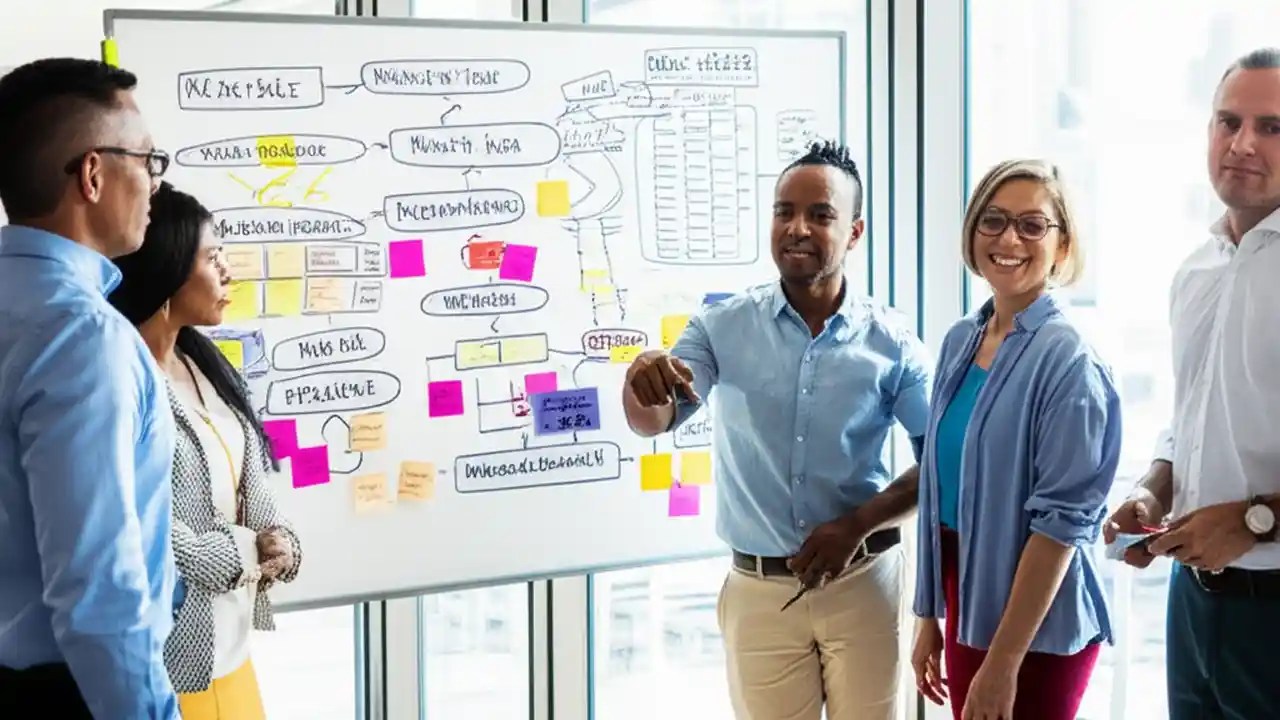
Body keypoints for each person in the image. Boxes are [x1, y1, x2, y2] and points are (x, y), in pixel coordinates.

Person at [622, 140, 931, 720]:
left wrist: (858, 525)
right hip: (760, 593)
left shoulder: (893, 343)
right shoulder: (720, 326)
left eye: (821, 215)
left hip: (864, 584)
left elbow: (942, 462)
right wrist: (640, 382)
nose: (797, 228)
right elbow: (655, 420)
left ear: (855, 232)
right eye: (784, 211)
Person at [1105, 47, 1280, 720]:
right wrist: (1154, 486)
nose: (1242, 144)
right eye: (1227, 121)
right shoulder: (1194, 273)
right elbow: (1192, 416)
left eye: (1271, 127)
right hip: (1191, 602)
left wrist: (1252, 521)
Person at [911, 159, 1121, 720]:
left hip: (1037, 623)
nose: (1009, 239)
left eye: (1032, 225)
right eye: (994, 220)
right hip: (966, 594)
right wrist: (929, 613)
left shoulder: (1069, 360)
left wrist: (1004, 661)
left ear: (1062, 244)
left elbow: (1060, 527)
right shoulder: (961, 340)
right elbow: (939, 492)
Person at [0, 59, 179, 718]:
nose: (157, 183)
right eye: (149, 160)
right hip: (73, 692)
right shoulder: (81, 334)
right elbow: (97, 587)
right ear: (93, 174)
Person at [108, 181, 303, 720]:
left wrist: (283, 543)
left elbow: (252, 486)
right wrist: (251, 552)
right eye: (213, 257)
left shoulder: (208, 365)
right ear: (169, 268)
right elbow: (156, 540)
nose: (228, 272)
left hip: (234, 658)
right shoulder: (121, 380)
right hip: (170, 669)